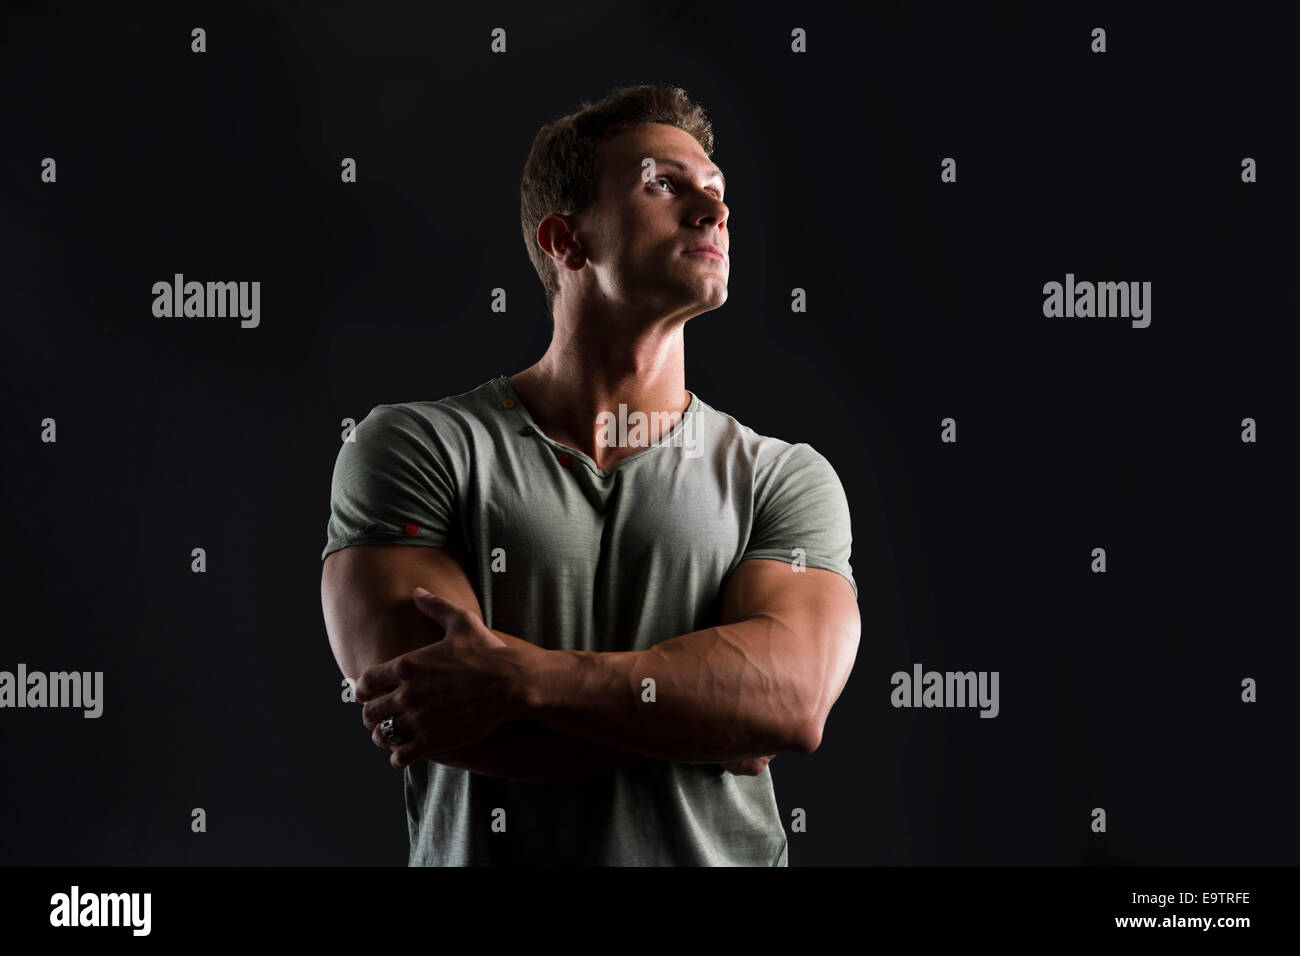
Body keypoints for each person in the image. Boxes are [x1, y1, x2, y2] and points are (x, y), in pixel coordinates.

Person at [320, 84, 860, 865]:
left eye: (716, 191)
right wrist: (714, 714)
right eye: (663, 185)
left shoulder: (782, 477)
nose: (713, 211)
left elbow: (791, 702)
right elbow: (449, 722)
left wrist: (521, 679)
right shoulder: (413, 448)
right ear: (566, 241)